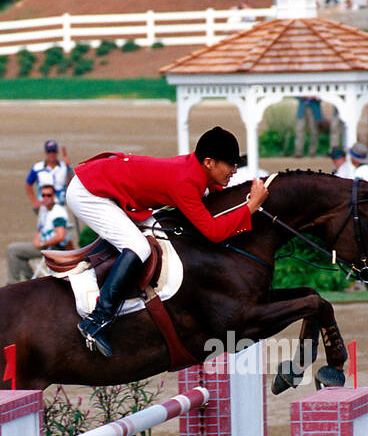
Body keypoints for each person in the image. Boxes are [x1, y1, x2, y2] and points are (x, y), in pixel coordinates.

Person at [64, 127, 267, 358]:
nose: (234, 169)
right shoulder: (185, 181)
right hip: (88, 192)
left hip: (106, 183)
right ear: (209, 162)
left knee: (154, 234)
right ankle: (97, 320)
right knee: (138, 246)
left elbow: (214, 193)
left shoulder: (196, 168)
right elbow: (214, 232)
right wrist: (251, 208)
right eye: (230, 164)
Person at [5, 179, 70, 283]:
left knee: (12, 249)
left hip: (52, 248)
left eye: (49, 195)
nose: (45, 198)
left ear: (54, 196)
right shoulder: (44, 210)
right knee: (18, 254)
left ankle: (12, 283)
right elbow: (40, 230)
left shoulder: (58, 212)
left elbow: (60, 236)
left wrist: (42, 243)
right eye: (43, 195)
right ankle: (31, 281)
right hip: (43, 245)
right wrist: (36, 241)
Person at [26, 140, 71, 210]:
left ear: (57, 152)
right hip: (44, 206)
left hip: (61, 205)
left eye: (53, 152)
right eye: (49, 152)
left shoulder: (64, 166)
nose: (51, 154)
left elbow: (70, 183)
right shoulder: (37, 168)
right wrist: (34, 201)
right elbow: (28, 184)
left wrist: (69, 168)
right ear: (45, 152)